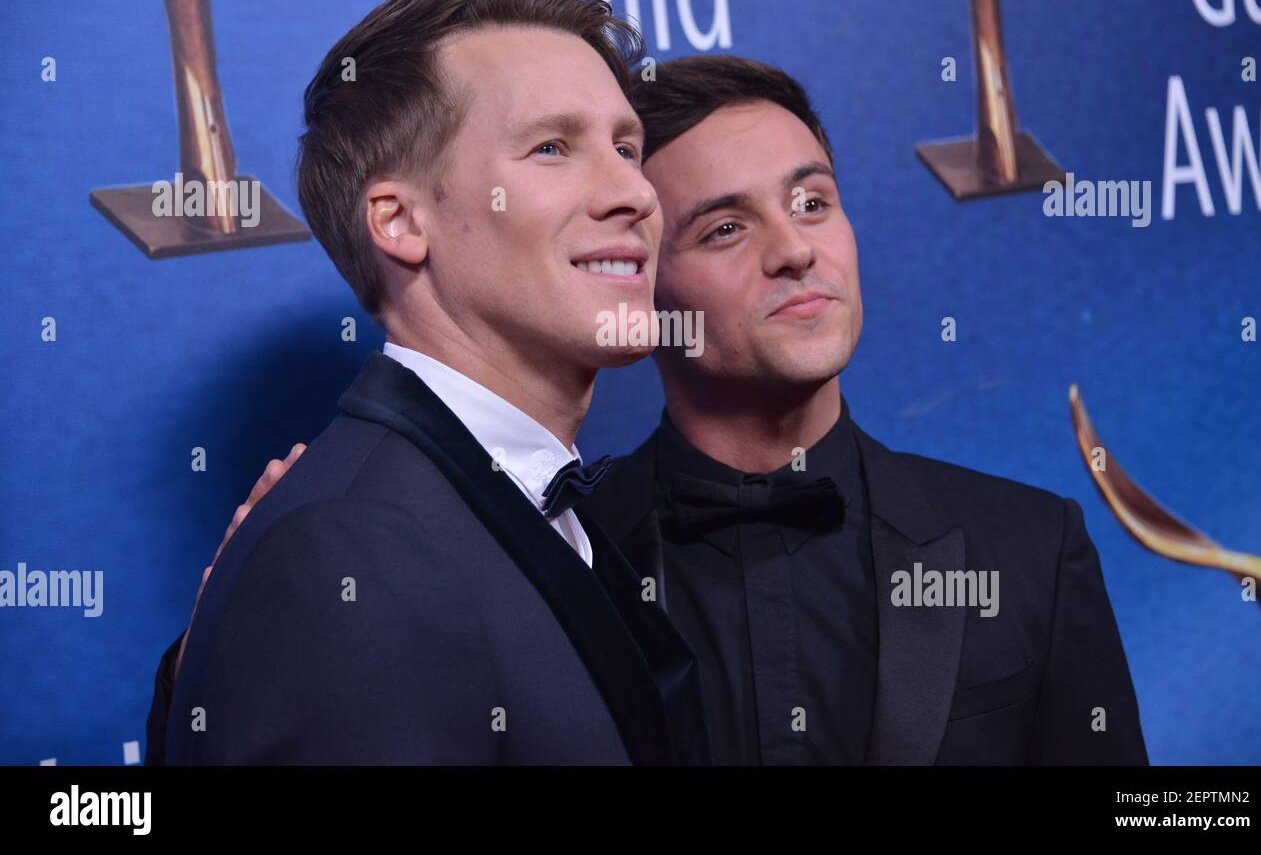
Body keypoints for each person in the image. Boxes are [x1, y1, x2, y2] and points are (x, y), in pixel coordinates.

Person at [151, 44, 1148, 766]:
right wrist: (210, 658)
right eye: (721, 226)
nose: (794, 249)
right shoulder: (542, 545)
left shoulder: (1027, 548)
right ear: (642, 280)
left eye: (813, 201)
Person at [154, 0, 709, 765]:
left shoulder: (531, 505)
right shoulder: (348, 558)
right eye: (552, 148)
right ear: (399, 223)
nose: (634, 191)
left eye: (626, 147)